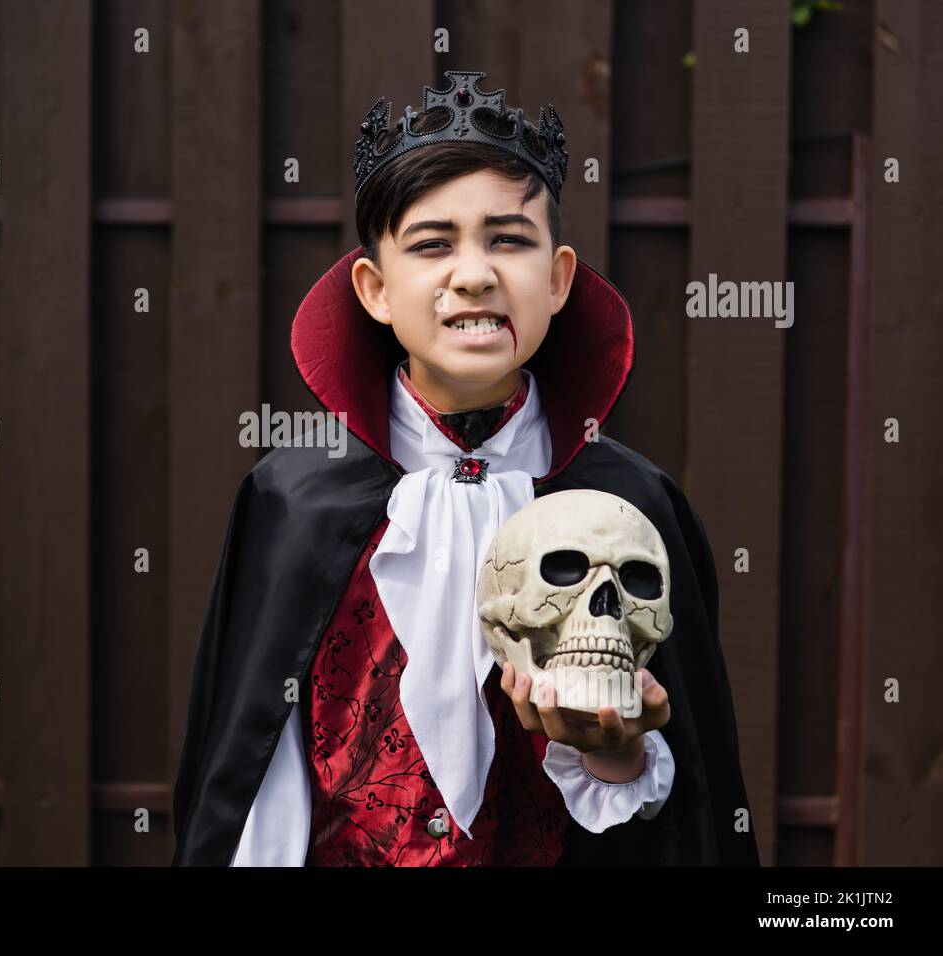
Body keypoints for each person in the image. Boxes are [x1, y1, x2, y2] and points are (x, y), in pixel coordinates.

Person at [171, 70, 759, 866]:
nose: (474, 274)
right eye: (432, 244)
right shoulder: (290, 501)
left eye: (509, 239)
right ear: (375, 289)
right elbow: (254, 779)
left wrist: (615, 754)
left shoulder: (635, 504)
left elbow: (685, 812)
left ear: (557, 281)